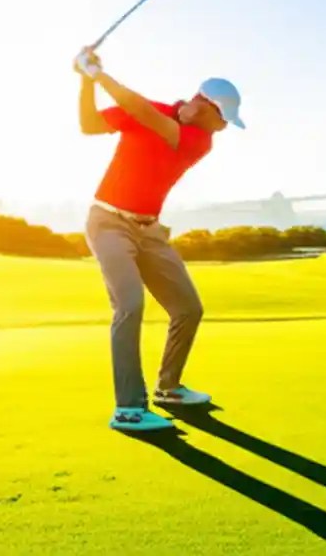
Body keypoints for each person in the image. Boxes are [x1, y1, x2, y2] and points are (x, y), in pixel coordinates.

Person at [73, 46, 245, 432]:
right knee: (130, 305)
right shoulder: (151, 112)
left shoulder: (198, 140)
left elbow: (144, 114)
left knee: (188, 307)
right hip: (108, 223)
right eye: (224, 119)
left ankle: (168, 388)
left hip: (149, 231)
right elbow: (89, 124)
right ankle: (129, 409)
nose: (225, 128)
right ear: (206, 106)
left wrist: (98, 73)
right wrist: (86, 81)